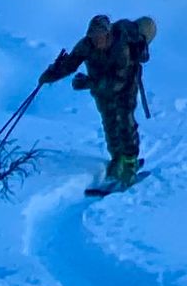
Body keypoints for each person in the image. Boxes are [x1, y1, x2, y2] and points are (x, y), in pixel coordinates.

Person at [46, 13, 157, 193]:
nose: (96, 40)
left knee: (125, 122)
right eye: (93, 36)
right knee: (109, 122)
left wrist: (89, 83)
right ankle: (117, 159)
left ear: (108, 34)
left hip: (125, 87)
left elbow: (118, 81)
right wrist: (50, 75)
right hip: (101, 90)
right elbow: (70, 63)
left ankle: (130, 164)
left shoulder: (121, 48)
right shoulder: (86, 45)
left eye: (100, 36)